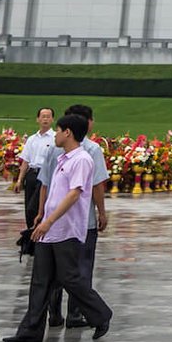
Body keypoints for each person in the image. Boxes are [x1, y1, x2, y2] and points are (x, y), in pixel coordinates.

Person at [4, 114, 113, 342]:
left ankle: (101, 314)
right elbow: (51, 189)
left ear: (68, 133)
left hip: (66, 230)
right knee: (40, 280)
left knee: (69, 278)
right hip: (49, 229)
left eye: (59, 130)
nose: (55, 134)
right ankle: (31, 330)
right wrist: (42, 216)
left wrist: (49, 221)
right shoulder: (62, 158)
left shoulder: (81, 160)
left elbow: (74, 194)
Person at [36, 103, 109, 329]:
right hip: (79, 222)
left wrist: (42, 213)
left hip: (53, 222)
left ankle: (54, 313)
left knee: (54, 273)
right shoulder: (91, 150)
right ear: (87, 123)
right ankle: (76, 314)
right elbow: (96, 185)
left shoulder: (55, 148)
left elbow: (44, 183)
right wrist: (101, 212)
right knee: (79, 270)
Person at [12, 107, 55, 228]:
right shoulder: (32, 139)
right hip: (31, 174)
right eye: (43, 116)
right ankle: (30, 232)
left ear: (52, 119)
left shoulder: (55, 138)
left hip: (45, 175)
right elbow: (25, 161)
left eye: (48, 117)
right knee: (28, 207)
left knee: (35, 207)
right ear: (38, 119)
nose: (45, 119)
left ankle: (39, 230)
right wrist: (20, 180)